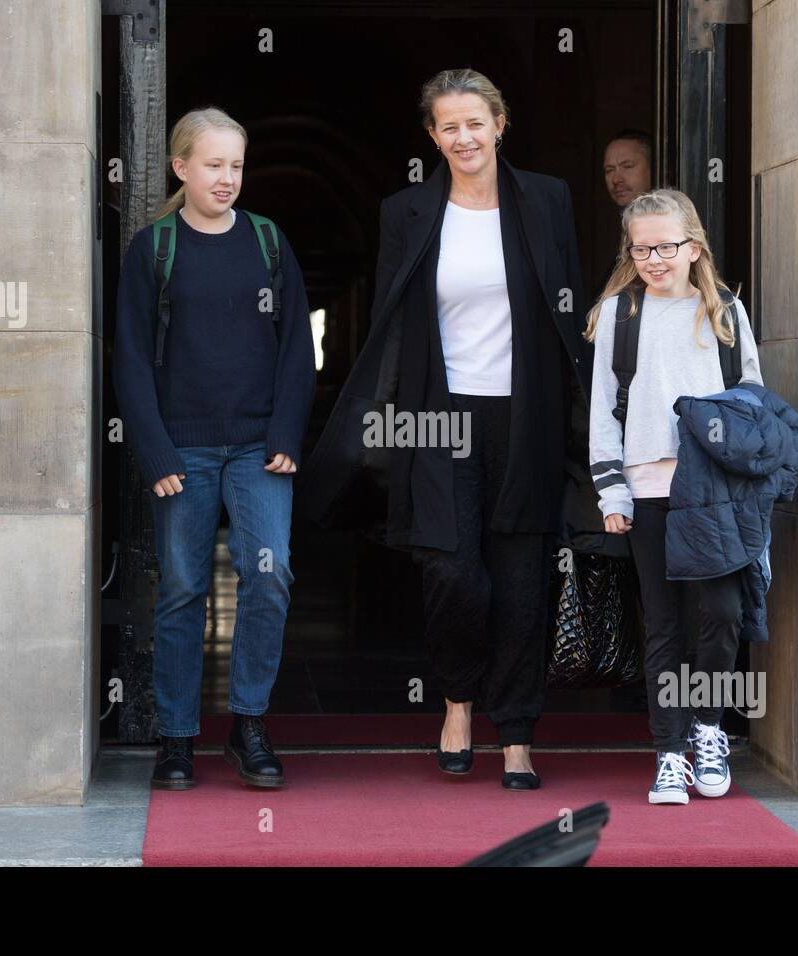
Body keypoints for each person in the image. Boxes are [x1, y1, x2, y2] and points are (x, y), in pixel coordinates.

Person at [298, 68, 595, 790]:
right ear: (432, 135)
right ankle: (459, 700)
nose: (464, 137)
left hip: (525, 416)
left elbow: (568, 309)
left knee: (523, 580)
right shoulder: (405, 211)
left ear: (500, 123)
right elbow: (393, 322)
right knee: (451, 569)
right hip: (437, 417)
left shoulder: (548, 200)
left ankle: (517, 733)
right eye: (448, 126)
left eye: (475, 122)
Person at [112, 107, 315, 791]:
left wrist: (287, 434)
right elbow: (132, 360)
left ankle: (248, 724)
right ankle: (176, 736)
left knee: (272, 575)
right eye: (212, 165)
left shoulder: (267, 241)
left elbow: (297, 349)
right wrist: (157, 453)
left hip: (259, 449)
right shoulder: (155, 249)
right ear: (181, 167)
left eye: (235, 165)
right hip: (184, 454)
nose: (226, 178)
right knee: (181, 591)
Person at [584, 188, 762, 805]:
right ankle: (668, 752)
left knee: (721, 615)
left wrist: (753, 494)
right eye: (641, 249)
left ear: (693, 247)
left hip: (715, 492)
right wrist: (612, 490)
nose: (653, 259)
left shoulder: (725, 312)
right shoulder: (618, 314)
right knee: (662, 624)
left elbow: (753, 404)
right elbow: (605, 407)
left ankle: (709, 730)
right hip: (648, 485)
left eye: (665, 247)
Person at [594, 129, 654, 301]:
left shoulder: (673, 226)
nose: (616, 179)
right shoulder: (620, 228)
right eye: (609, 170)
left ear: (654, 165)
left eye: (627, 166)